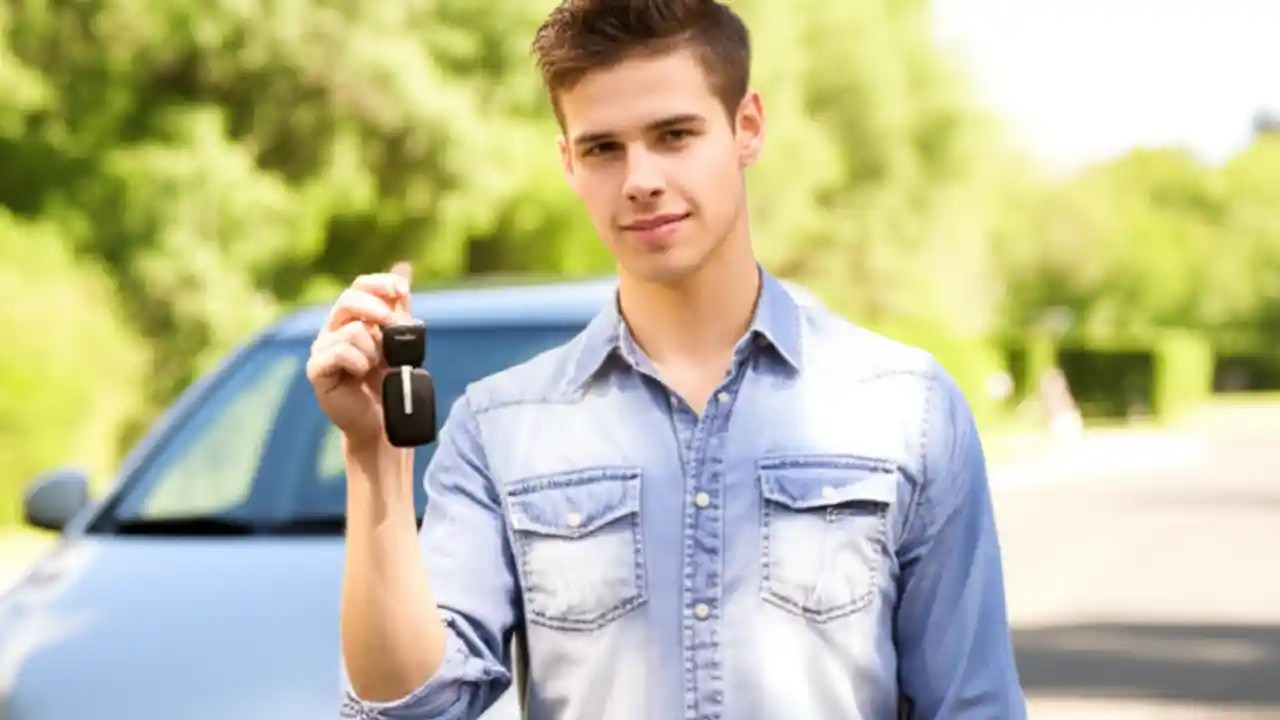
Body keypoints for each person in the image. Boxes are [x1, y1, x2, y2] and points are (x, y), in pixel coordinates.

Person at [310, 1, 1027, 718]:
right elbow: (409, 711)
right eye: (603, 148)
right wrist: (375, 457)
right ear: (568, 161)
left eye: (674, 135)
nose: (639, 179)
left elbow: (974, 704)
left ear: (747, 127)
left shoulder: (906, 408)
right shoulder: (500, 429)